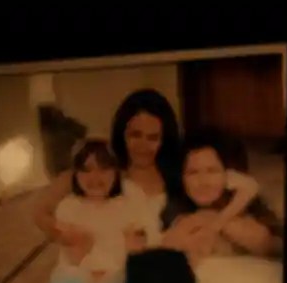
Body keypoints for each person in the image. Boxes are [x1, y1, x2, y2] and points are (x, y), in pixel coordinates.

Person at [32, 89, 182, 255]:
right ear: (122, 133)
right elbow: (41, 211)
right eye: (135, 135)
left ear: (164, 140)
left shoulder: (177, 177)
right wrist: (64, 235)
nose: (143, 145)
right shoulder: (102, 168)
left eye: (153, 138)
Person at [45, 140, 157, 283]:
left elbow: (142, 244)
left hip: (120, 281)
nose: (95, 177)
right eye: (86, 170)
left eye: (104, 169)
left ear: (115, 172)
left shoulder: (129, 201)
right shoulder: (68, 207)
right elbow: (76, 256)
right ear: (76, 174)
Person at [160, 127, 282, 264]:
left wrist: (215, 219)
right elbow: (170, 249)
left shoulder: (253, 209)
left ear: (230, 175)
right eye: (192, 172)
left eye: (212, 171)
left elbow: (270, 246)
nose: (203, 181)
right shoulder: (176, 212)